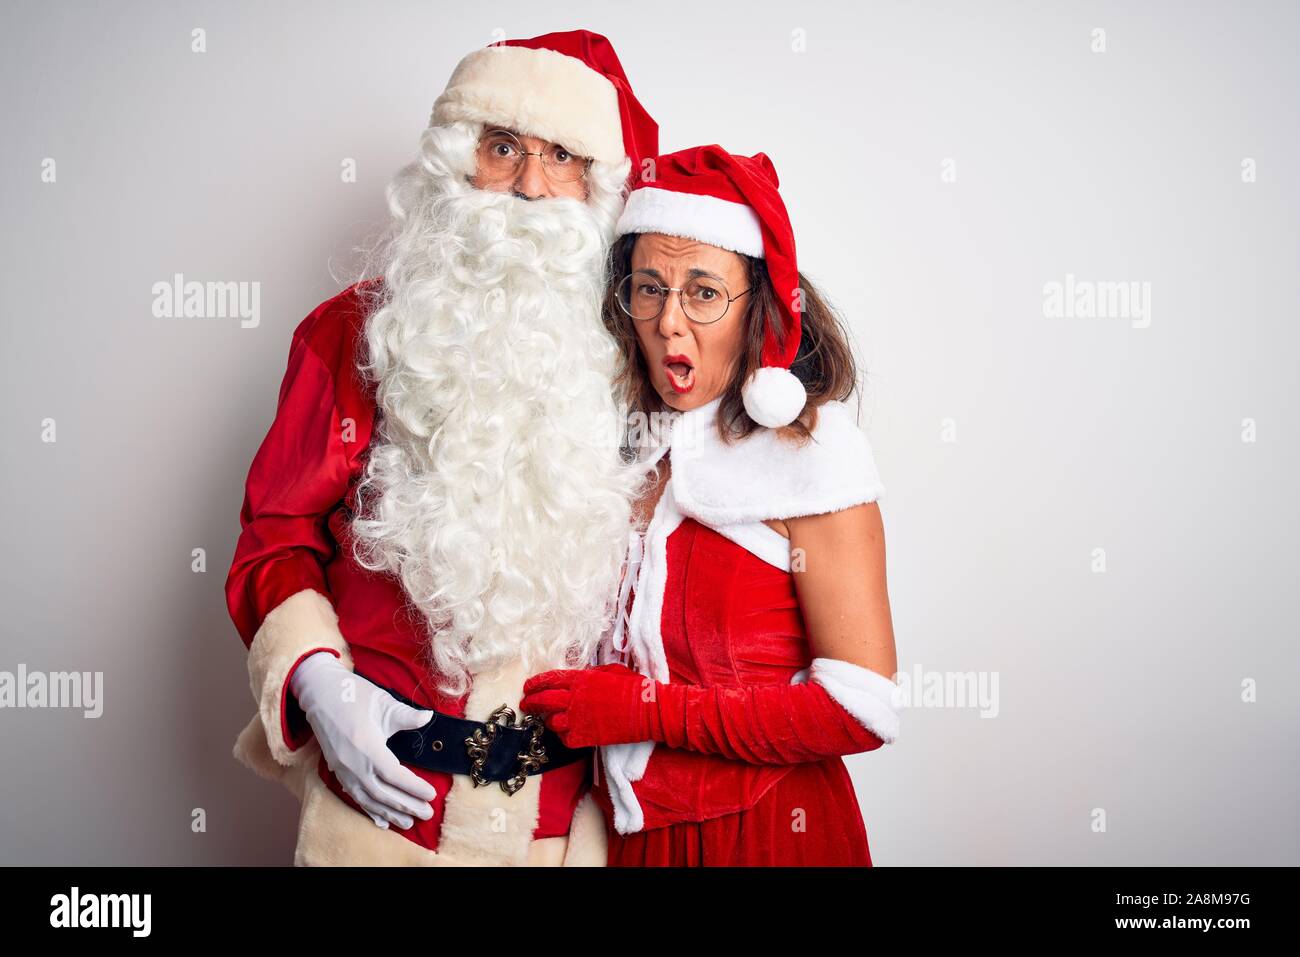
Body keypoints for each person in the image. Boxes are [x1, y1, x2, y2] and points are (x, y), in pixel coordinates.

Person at [224, 30, 658, 866]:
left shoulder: (635, 354)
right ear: (457, 163)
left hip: (565, 836)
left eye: (563, 156)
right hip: (381, 818)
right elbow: (272, 537)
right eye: (503, 148)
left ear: (599, 186)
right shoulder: (354, 333)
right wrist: (319, 684)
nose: (530, 188)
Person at [521, 145, 901, 866]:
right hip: (626, 842)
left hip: (766, 836)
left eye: (702, 292)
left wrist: (644, 710)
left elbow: (862, 705)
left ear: (756, 304)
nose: (668, 322)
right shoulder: (620, 448)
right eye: (648, 289)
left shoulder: (814, 452)